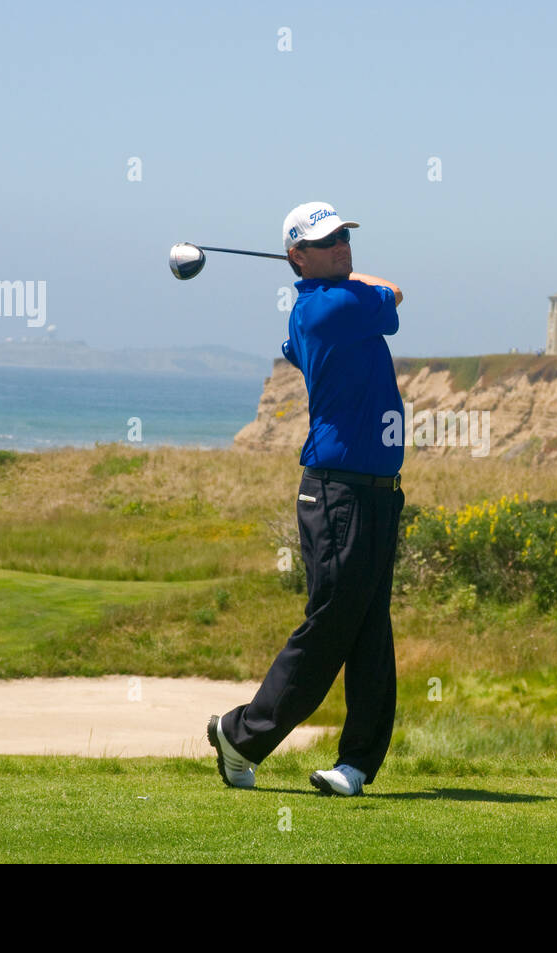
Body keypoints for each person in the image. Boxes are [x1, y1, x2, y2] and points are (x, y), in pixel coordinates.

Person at [208, 201, 405, 797]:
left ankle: (356, 765)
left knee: (369, 628)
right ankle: (241, 734)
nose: (343, 245)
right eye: (327, 240)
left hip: (376, 493)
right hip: (336, 490)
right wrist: (360, 279)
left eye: (344, 235)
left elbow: (296, 350)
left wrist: (329, 274)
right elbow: (394, 292)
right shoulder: (337, 306)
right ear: (297, 256)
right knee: (332, 624)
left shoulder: (315, 309)